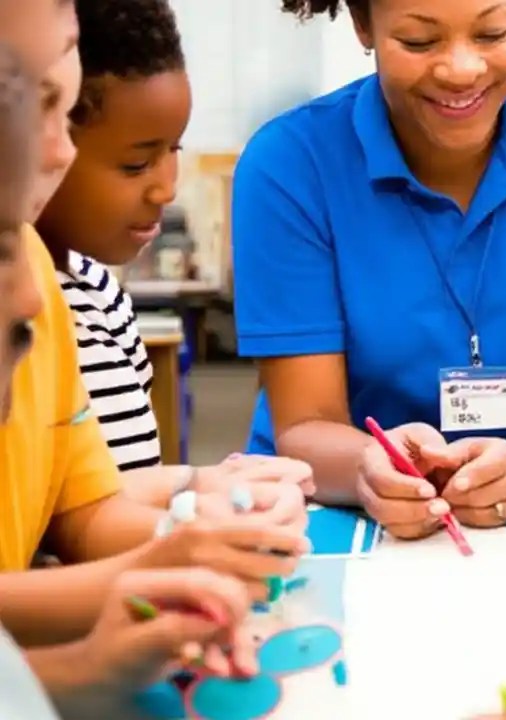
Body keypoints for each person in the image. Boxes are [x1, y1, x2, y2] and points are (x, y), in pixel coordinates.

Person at [233, 0, 506, 539]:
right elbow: (304, 426)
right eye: (420, 42)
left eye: (492, 33)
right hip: (335, 521)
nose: (462, 70)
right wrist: (369, 467)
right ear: (363, 25)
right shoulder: (291, 163)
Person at [0, 0, 309, 651]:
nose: (57, 146)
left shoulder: (49, 277)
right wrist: (163, 560)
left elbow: (84, 509)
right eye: (40, 109)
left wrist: (201, 508)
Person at [34, 0, 315, 509]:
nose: (167, 187)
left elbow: (111, 500)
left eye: (175, 150)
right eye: (137, 164)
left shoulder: (101, 294)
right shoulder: (25, 313)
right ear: (45, 140)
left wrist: (199, 490)